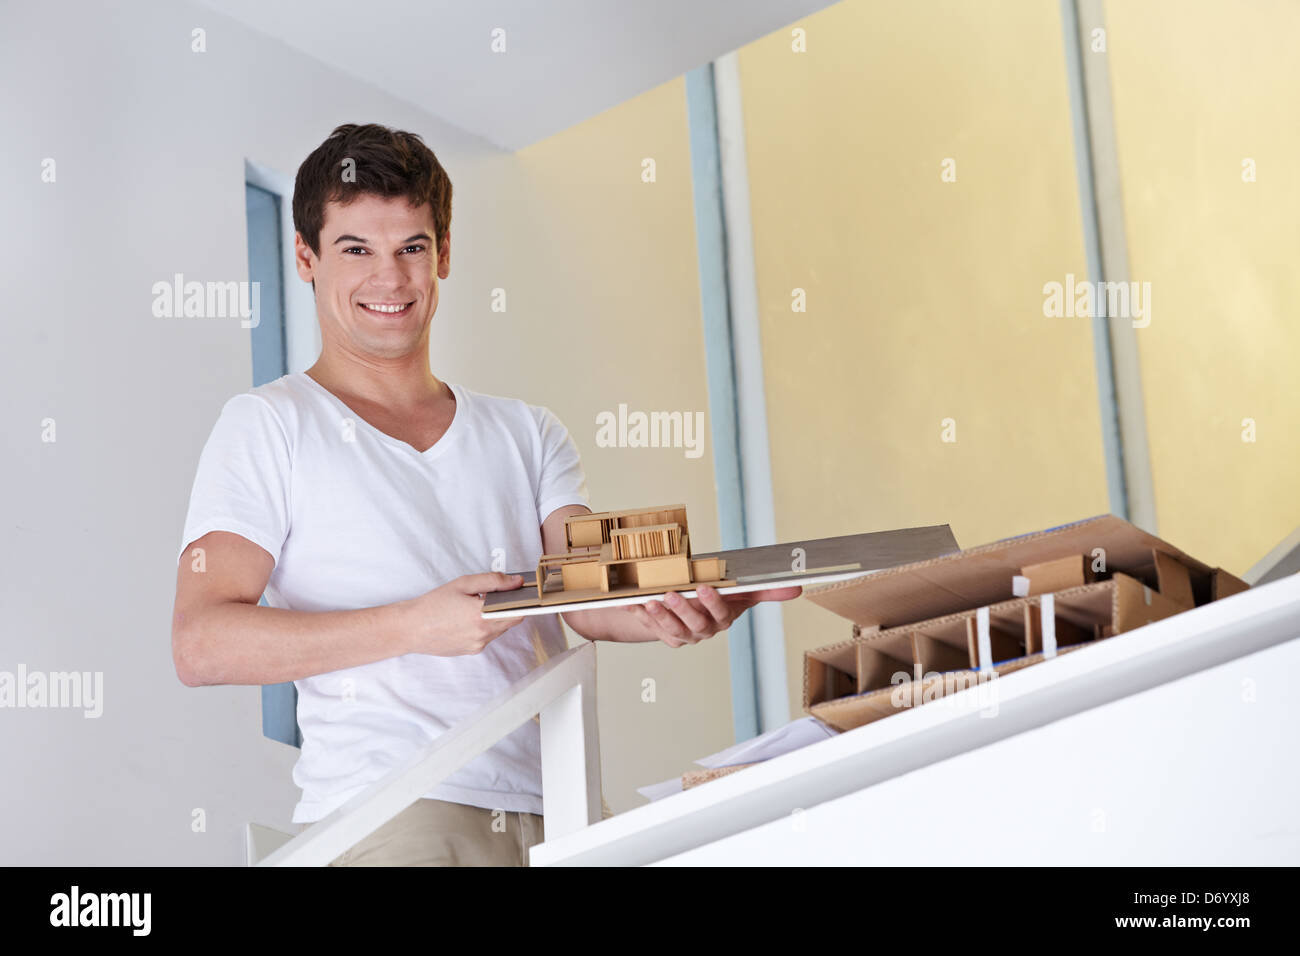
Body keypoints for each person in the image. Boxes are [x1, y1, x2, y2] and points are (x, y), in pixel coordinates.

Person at [170, 123, 799, 867]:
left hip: (561, 807)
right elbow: (201, 643)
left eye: (411, 247)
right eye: (356, 250)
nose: (390, 279)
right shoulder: (270, 424)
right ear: (306, 257)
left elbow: (589, 591)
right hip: (396, 814)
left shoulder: (526, 432)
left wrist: (680, 601)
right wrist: (414, 625)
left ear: (444, 254)